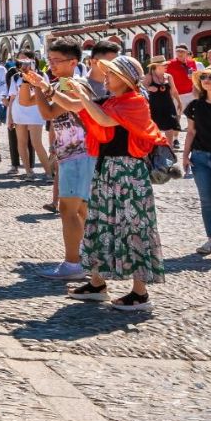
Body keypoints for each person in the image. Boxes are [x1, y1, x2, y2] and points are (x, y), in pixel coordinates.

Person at [53, 54, 167, 311]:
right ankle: (97, 284)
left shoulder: (135, 101)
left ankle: (140, 293)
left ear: (125, 79)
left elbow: (102, 119)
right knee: (102, 223)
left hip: (128, 172)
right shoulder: (113, 100)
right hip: (108, 170)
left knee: (133, 226)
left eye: (111, 73)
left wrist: (82, 95)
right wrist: (45, 87)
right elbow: (74, 105)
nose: (105, 76)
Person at [22, 37, 92, 280]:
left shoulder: (73, 85)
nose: (50, 65)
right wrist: (32, 84)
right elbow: (34, 107)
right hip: (70, 151)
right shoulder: (57, 83)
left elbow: (49, 112)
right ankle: (84, 257)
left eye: (56, 61)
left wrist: (41, 86)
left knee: (69, 209)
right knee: (80, 208)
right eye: (49, 60)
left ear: (73, 62)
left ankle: (73, 263)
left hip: (79, 152)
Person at [9, 52, 54, 183]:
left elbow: (47, 93)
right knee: (21, 142)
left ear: (34, 61)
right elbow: (12, 98)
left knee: (36, 142)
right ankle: (29, 172)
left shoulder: (42, 75)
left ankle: (49, 173)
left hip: (35, 109)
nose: (25, 64)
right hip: (19, 110)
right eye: (21, 61)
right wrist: (10, 117)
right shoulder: (16, 77)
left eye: (27, 61)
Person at [181, 70, 211, 257]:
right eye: (203, 78)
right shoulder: (194, 106)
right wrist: (185, 155)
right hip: (200, 158)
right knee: (207, 201)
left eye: (210, 77)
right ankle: (210, 241)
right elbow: (191, 132)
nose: (206, 80)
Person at [144, 57, 182, 149]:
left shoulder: (168, 76)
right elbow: (141, 88)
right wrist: (149, 88)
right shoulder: (149, 76)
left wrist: (179, 102)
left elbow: (174, 90)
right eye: (164, 64)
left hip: (168, 105)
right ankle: (154, 148)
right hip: (154, 106)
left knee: (169, 127)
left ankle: (170, 148)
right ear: (156, 66)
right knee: (154, 127)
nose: (166, 66)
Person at [167, 44, 202, 110]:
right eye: (178, 51)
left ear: (186, 53)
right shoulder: (170, 63)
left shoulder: (193, 63)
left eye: (182, 51)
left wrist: (194, 76)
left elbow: (200, 77)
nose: (180, 53)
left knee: (192, 117)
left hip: (192, 94)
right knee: (177, 117)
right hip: (177, 96)